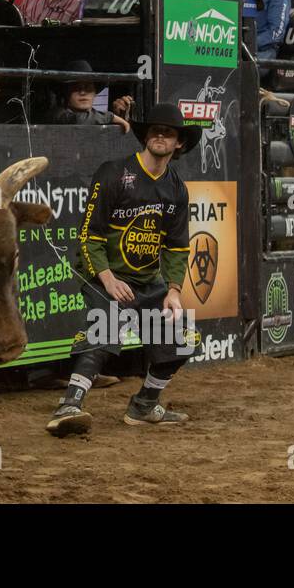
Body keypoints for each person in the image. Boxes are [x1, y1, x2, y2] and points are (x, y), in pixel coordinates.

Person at [45, 102, 198, 436]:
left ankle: (144, 405)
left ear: (179, 143)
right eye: (154, 130)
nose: (160, 136)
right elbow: (89, 235)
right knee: (103, 328)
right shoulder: (114, 173)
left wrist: (173, 290)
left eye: (168, 132)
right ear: (145, 137)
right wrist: (107, 278)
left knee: (182, 341)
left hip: (147, 280)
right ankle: (68, 406)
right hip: (104, 273)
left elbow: (176, 245)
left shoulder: (176, 189)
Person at [47, 61, 131, 128]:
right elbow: (79, 120)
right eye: (76, 87)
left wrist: (121, 115)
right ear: (65, 91)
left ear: (95, 91)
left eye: (88, 86)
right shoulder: (57, 114)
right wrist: (111, 117)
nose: (83, 92)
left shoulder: (99, 117)